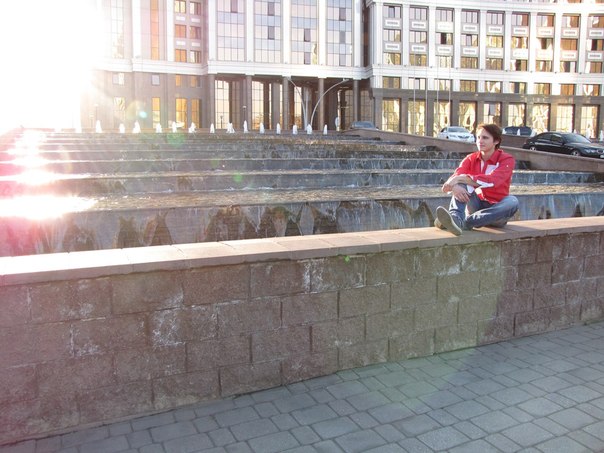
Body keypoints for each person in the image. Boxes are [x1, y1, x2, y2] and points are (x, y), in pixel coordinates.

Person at [435, 123, 519, 236]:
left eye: (485, 138)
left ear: (496, 141)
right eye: (478, 137)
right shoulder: (471, 158)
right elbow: (455, 177)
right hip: (476, 205)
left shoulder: (506, 160)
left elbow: (493, 181)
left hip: (497, 213)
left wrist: (459, 179)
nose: (480, 141)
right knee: (461, 184)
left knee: (513, 201)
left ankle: (465, 223)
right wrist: (455, 185)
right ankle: (455, 218)